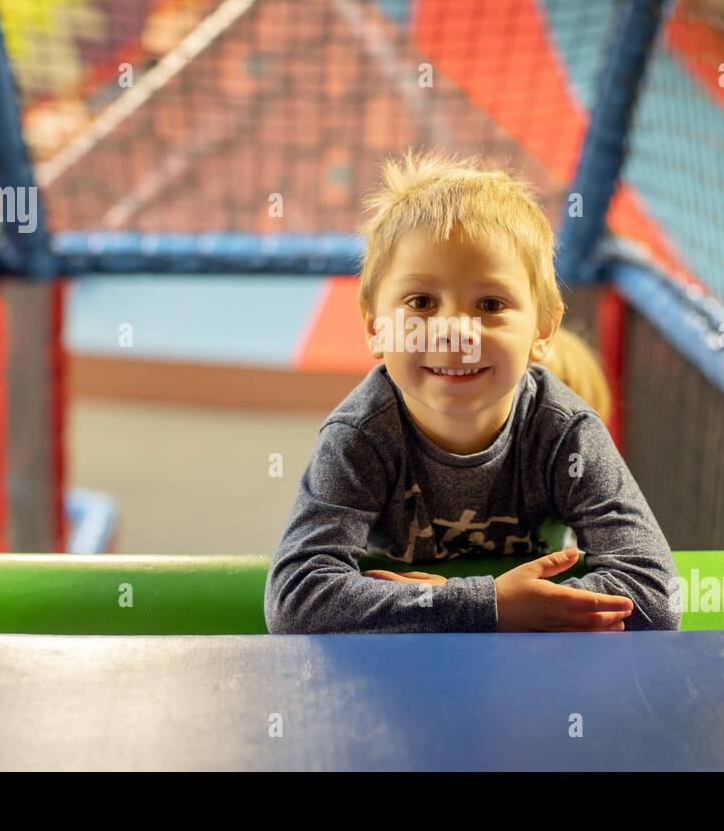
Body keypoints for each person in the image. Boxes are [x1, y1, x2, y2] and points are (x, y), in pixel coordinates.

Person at [264, 149, 679, 633]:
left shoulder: (565, 433)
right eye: (421, 302)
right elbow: (296, 598)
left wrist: (470, 602)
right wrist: (489, 605)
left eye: (489, 303)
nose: (455, 332)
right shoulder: (362, 435)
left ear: (542, 330)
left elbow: (656, 594)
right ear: (377, 329)